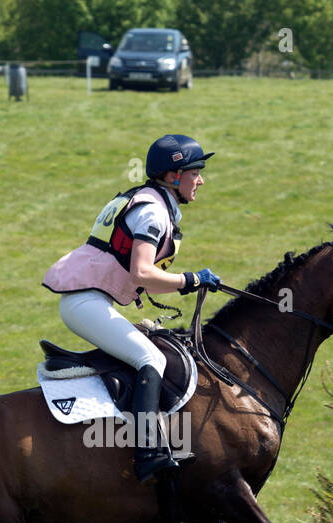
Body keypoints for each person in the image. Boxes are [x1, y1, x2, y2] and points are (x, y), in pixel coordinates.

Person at [42, 133, 221, 485]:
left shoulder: (146, 200)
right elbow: (142, 272)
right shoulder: (153, 212)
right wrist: (190, 280)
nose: (201, 179)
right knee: (150, 359)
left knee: (149, 349)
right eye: (195, 171)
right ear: (173, 176)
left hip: (90, 300)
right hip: (85, 302)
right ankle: (147, 451)